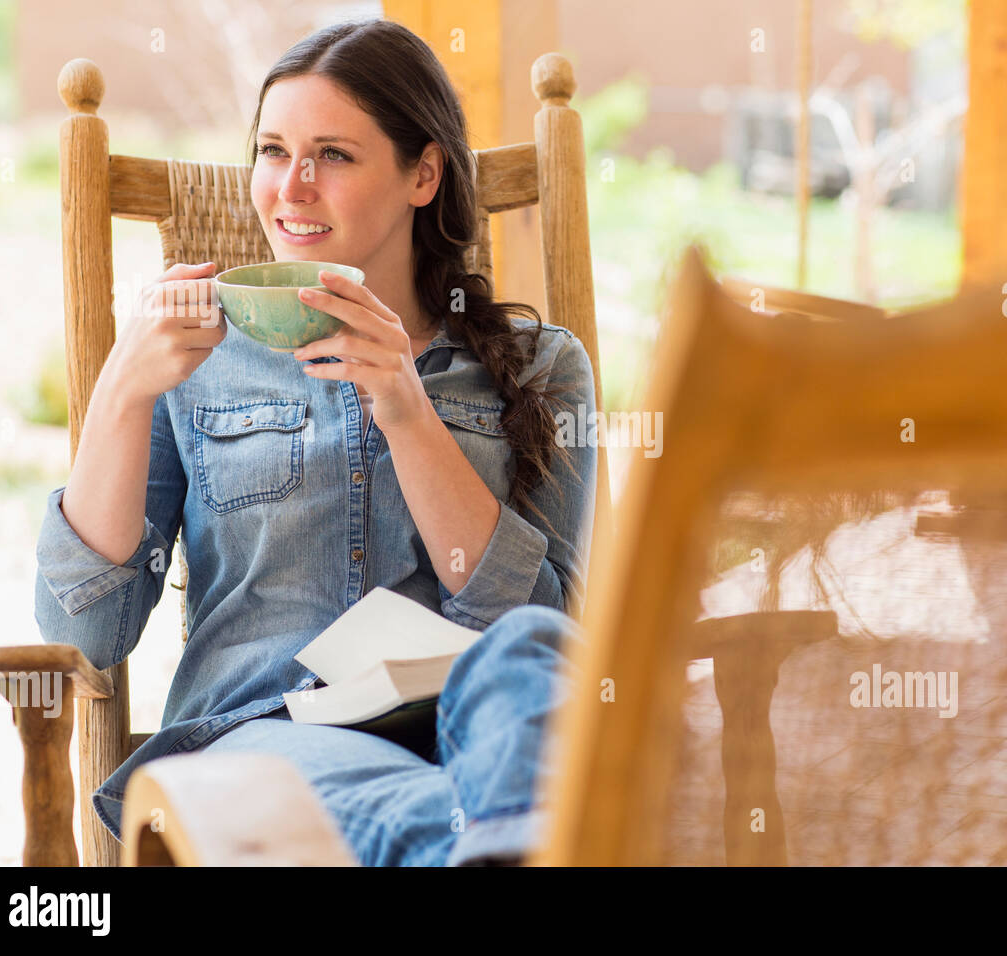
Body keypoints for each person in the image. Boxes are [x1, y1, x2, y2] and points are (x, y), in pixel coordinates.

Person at [33, 18, 598, 866]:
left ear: (423, 173)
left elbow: (538, 622)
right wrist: (120, 388)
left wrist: (408, 411)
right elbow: (86, 636)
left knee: (532, 655)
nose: (291, 187)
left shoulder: (542, 366)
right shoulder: (192, 367)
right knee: (465, 809)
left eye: (332, 154)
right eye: (271, 151)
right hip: (264, 738)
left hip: (477, 732)